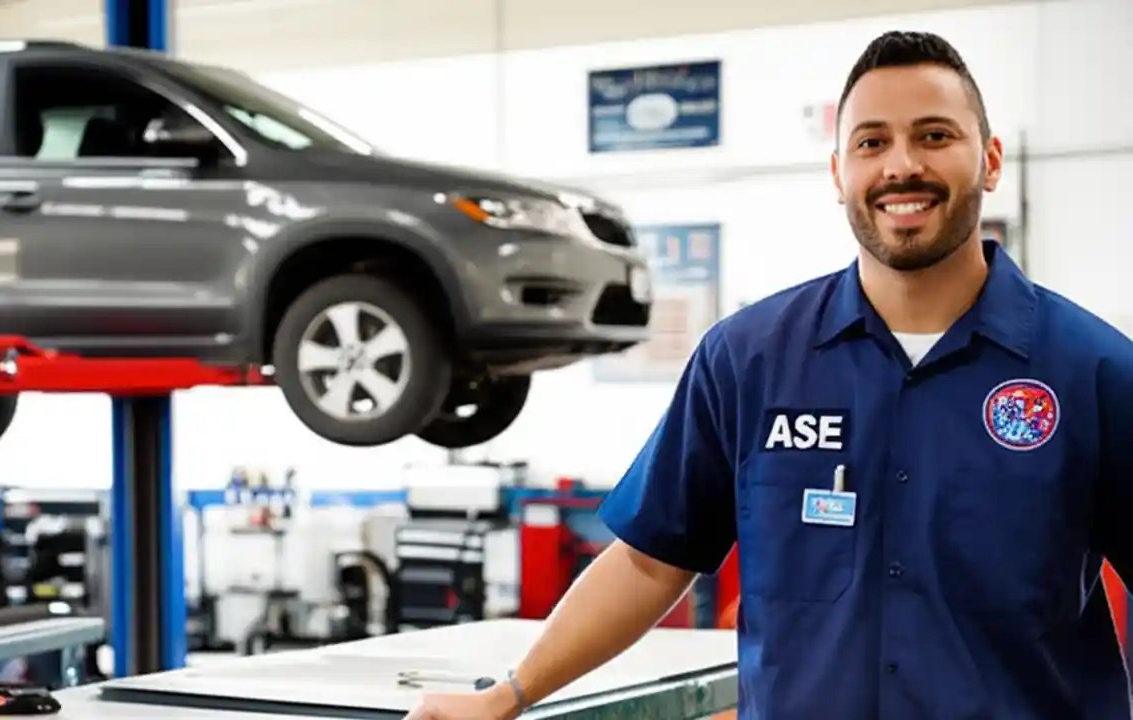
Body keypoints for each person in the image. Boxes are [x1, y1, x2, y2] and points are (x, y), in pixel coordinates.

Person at [404, 29, 1133, 720]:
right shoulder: (750, 360)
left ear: (991, 160)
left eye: (934, 136)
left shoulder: (1092, 370)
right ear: (839, 173)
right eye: (871, 142)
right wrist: (509, 694)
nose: (901, 165)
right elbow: (649, 562)